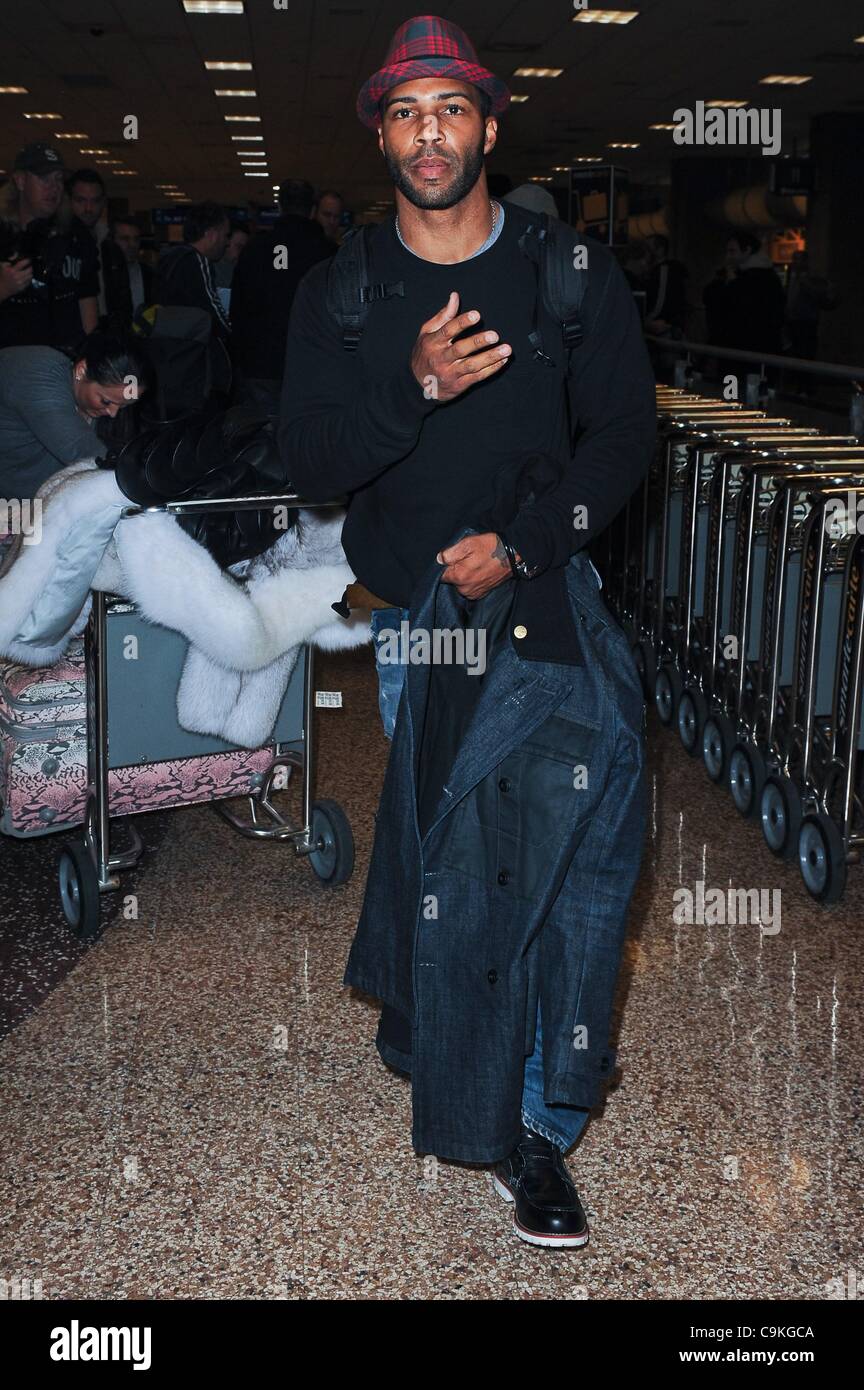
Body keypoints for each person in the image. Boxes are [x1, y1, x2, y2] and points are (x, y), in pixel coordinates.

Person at [279, 15, 655, 1249]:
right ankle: (459, 1052)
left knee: (550, 872)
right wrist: (417, 387)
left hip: (548, 615)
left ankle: (537, 1126)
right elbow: (314, 459)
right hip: (419, 637)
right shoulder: (343, 295)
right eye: (404, 110)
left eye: (450, 108)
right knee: (456, 872)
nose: (428, 131)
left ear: (489, 127)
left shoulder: (570, 273)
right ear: (380, 134)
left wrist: (533, 542)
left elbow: (625, 440)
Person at [0, 330, 149, 500]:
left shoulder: (82, 389)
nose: (113, 413)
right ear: (81, 370)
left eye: (123, 406)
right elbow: (84, 453)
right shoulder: (36, 377)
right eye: (106, 401)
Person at [230, 180, 332, 409]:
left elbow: (237, 311)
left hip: (260, 363)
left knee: (260, 436)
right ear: (313, 210)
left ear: (279, 207)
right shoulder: (328, 253)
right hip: (313, 364)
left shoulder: (255, 249)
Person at [0, 143, 99, 355]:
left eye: (58, 179)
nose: (54, 188)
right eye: (44, 179)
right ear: (20, 180)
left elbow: (87, 304)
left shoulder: (76, 234)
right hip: (9, 364)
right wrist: (3, 288)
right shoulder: (3, 234)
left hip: (64, 363)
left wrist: (90, 359)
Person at [67, 168, 132, 335]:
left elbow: (123, 304)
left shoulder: (111, 250)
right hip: (72, 336)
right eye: (80, 200)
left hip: (107, 336)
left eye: (95, 201)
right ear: (68, 201)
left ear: (103, 203)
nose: (88, 208)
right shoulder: (60, 245)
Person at [154, 202, 231, 340]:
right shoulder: (198, 262)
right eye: (225, 235)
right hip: (187, 348)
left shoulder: (169, 258)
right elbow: (212, 310)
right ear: (212, 235)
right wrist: (233, 336)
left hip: (164, 345)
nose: (227, 242)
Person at [109, 216, 154, 322]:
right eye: (125, 239)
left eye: (136, 239)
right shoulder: (102, 275)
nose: (132, 245)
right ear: (112, 241)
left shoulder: (150, 275)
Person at [213, 220, 251, 292]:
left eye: (245, 248)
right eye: (239, 247)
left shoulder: (243, 269)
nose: (242, 252)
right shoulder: (210, 269)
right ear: (226, 242)